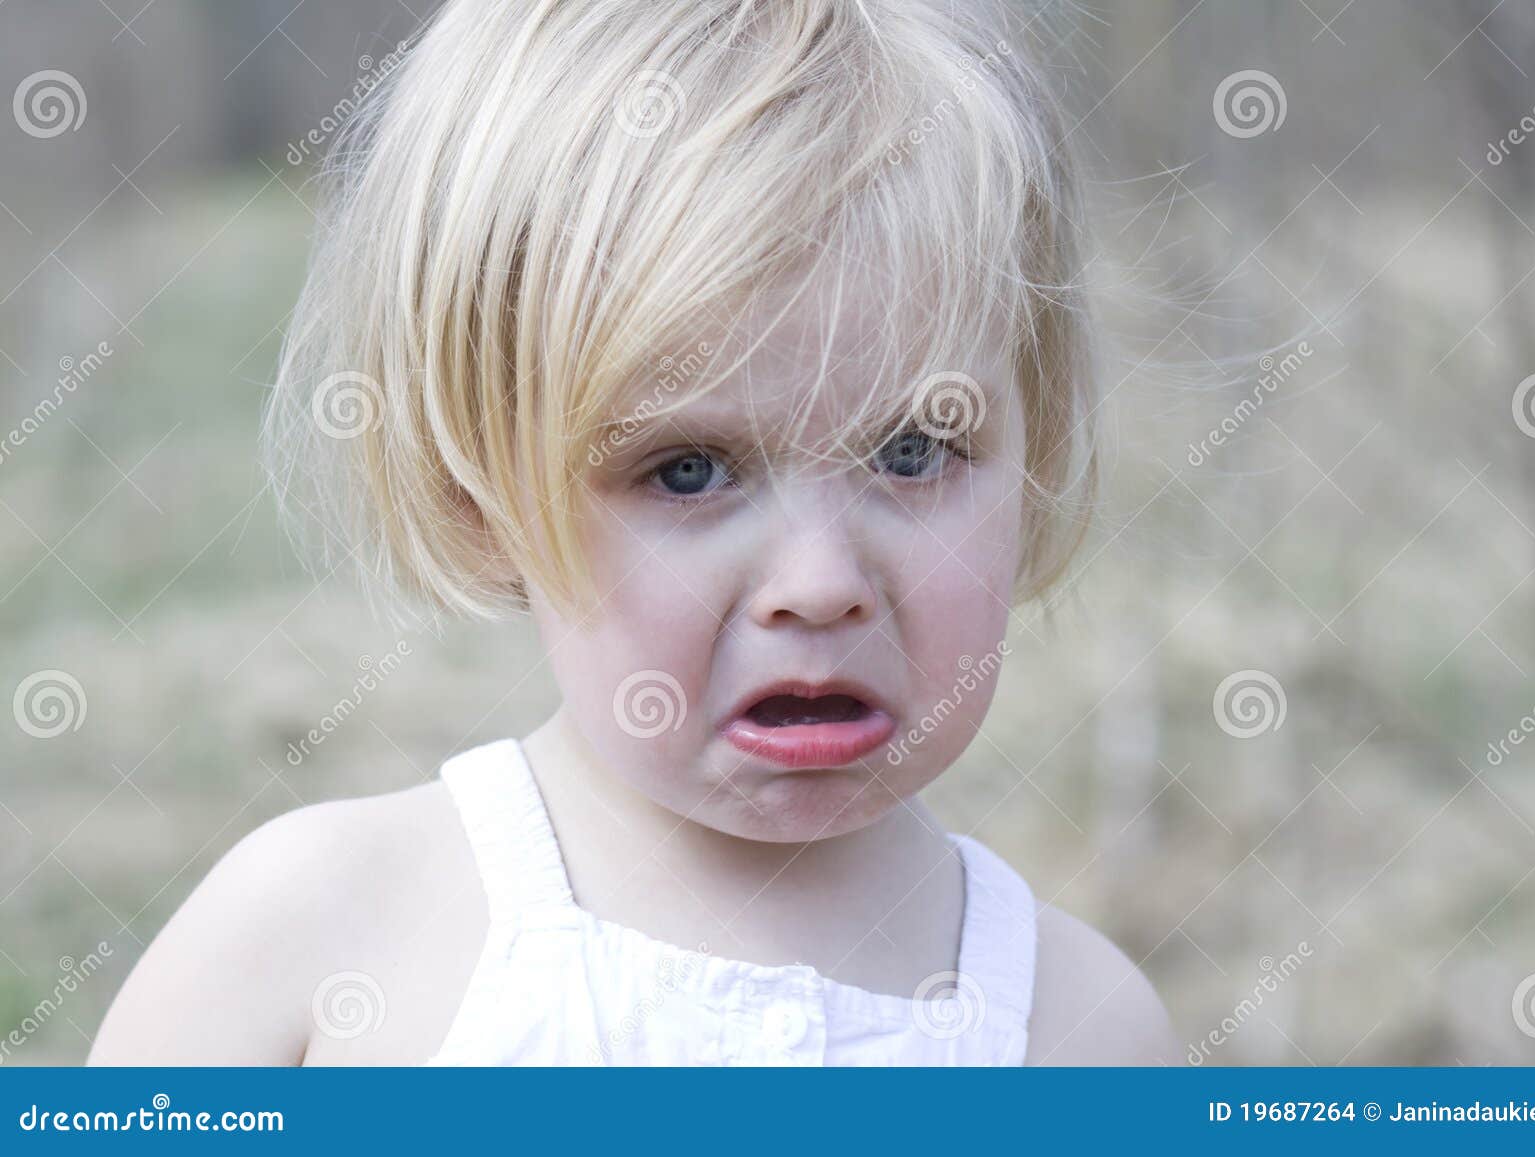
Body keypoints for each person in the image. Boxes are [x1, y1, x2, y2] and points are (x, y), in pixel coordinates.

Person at [90, 0, 1181, 1066]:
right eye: (688, 470)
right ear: (482, 495)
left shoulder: (1080, 1033)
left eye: (910, 451)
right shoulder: (322, 938)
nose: (818, 584)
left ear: (1034, 460)